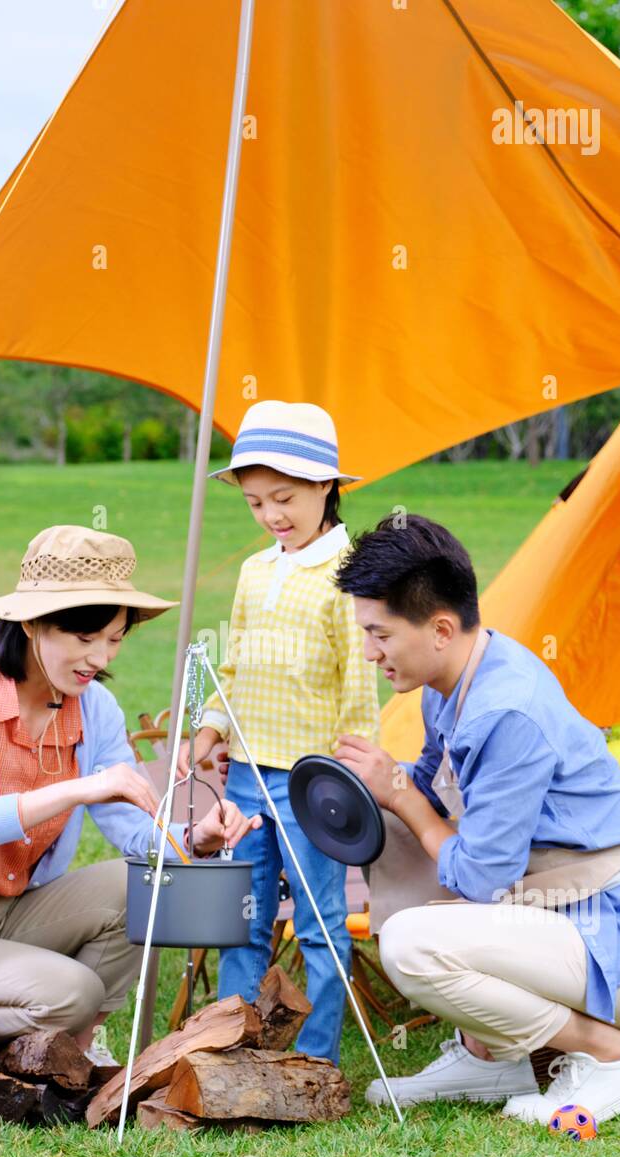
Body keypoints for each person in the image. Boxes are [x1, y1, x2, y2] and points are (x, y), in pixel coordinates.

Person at [331, 512, 620, 1123]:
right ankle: (489, 1057)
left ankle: (614, 1055)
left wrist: (400, 794)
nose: (370, 653)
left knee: (410, 946)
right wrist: (363, 788)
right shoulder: (451, 676)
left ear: (440, 628)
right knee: (400, 836)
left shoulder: (505, 710)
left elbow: (480, 875)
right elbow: (430, 785)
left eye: (380, 634)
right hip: (564, 916)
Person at [0, 525, 260, 1061]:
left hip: (13, 910)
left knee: (151, 886)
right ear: (34, 624)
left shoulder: (95, 710)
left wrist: (193, 837)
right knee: (74, 992)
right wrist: (79, 788)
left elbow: (132, 828)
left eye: (113, 639)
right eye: (85, 639)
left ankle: (72, 1056)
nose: (101, 659)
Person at [178, 400, 380, 1064]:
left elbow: (358, 681)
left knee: (320, 921)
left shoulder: (348, 575)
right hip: (243, 775)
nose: (271, 516)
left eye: (285, 498)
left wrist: (351, 772)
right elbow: (231, 663)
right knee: (243, 917)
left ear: (327, 486)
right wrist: (209, 724)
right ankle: (228, 1047)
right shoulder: (254, 571)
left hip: (309, 781)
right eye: (256, 503)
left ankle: (314, 1057)